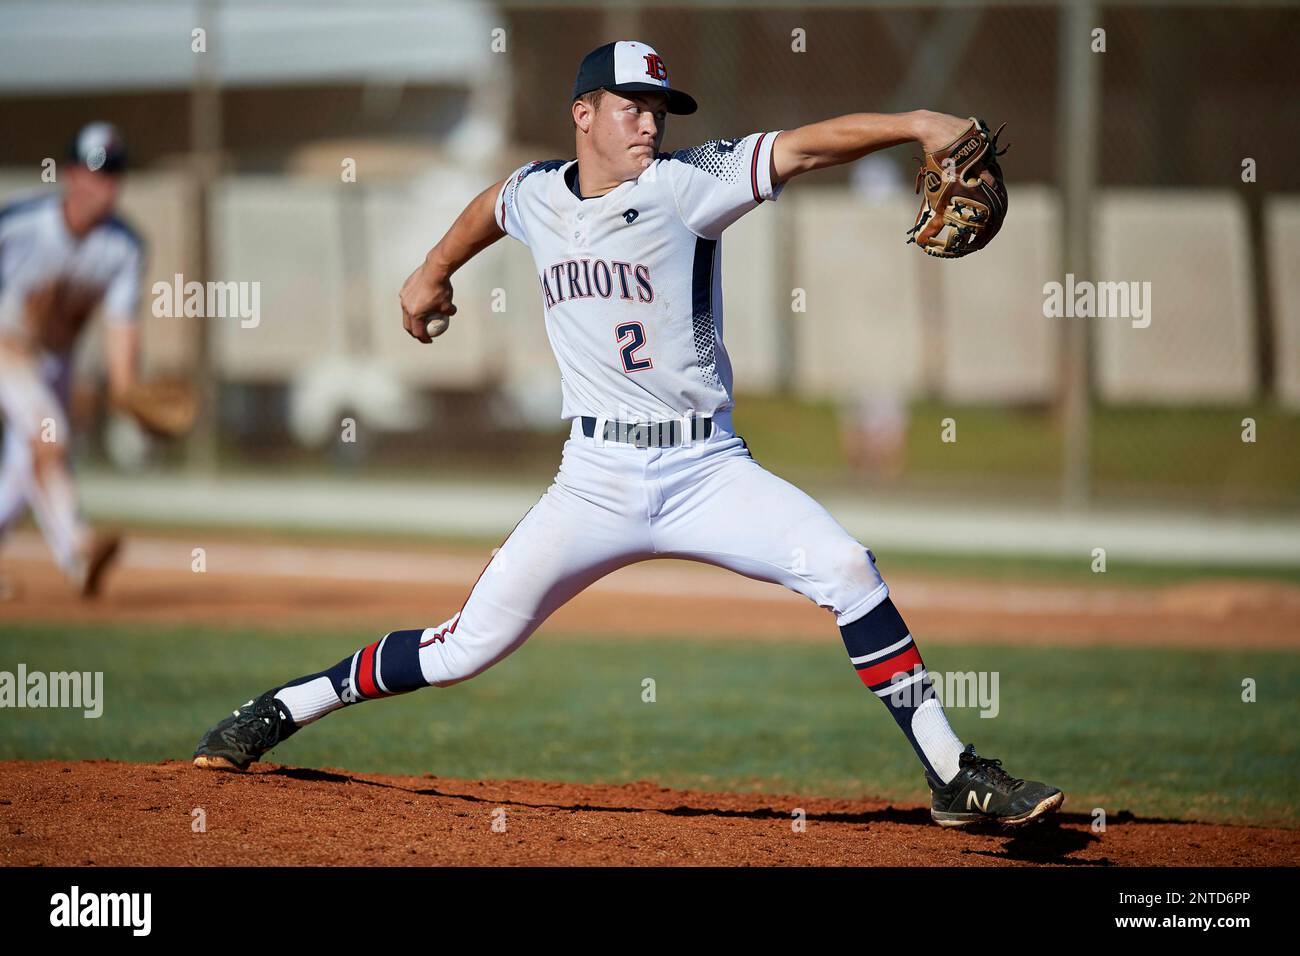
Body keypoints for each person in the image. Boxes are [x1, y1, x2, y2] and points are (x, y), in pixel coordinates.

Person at [194, 41, 1063, 829]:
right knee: (464, 650)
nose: (650, 122)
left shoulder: (686, 186)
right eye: (631, 106)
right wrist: (429, 273)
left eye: (659, 108)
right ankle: (291, 705)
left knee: (844, 567)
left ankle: (955, 775)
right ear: (583, 115)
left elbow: (802, 144)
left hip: (706, 469)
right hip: (594, 480)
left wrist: (917, 123)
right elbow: (491, 206)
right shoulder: (539, 193)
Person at [0, 122, 145, 598]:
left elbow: (121, 323)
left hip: (56, 361)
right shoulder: (21, 224)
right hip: (7, 347)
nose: (105, 185)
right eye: (96, 171)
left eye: (113, 173)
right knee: (49, 433)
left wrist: (125, 387)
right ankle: (79, 545)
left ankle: (78, 562)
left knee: (27, 468)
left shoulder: (123, 246)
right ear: (70, 174)